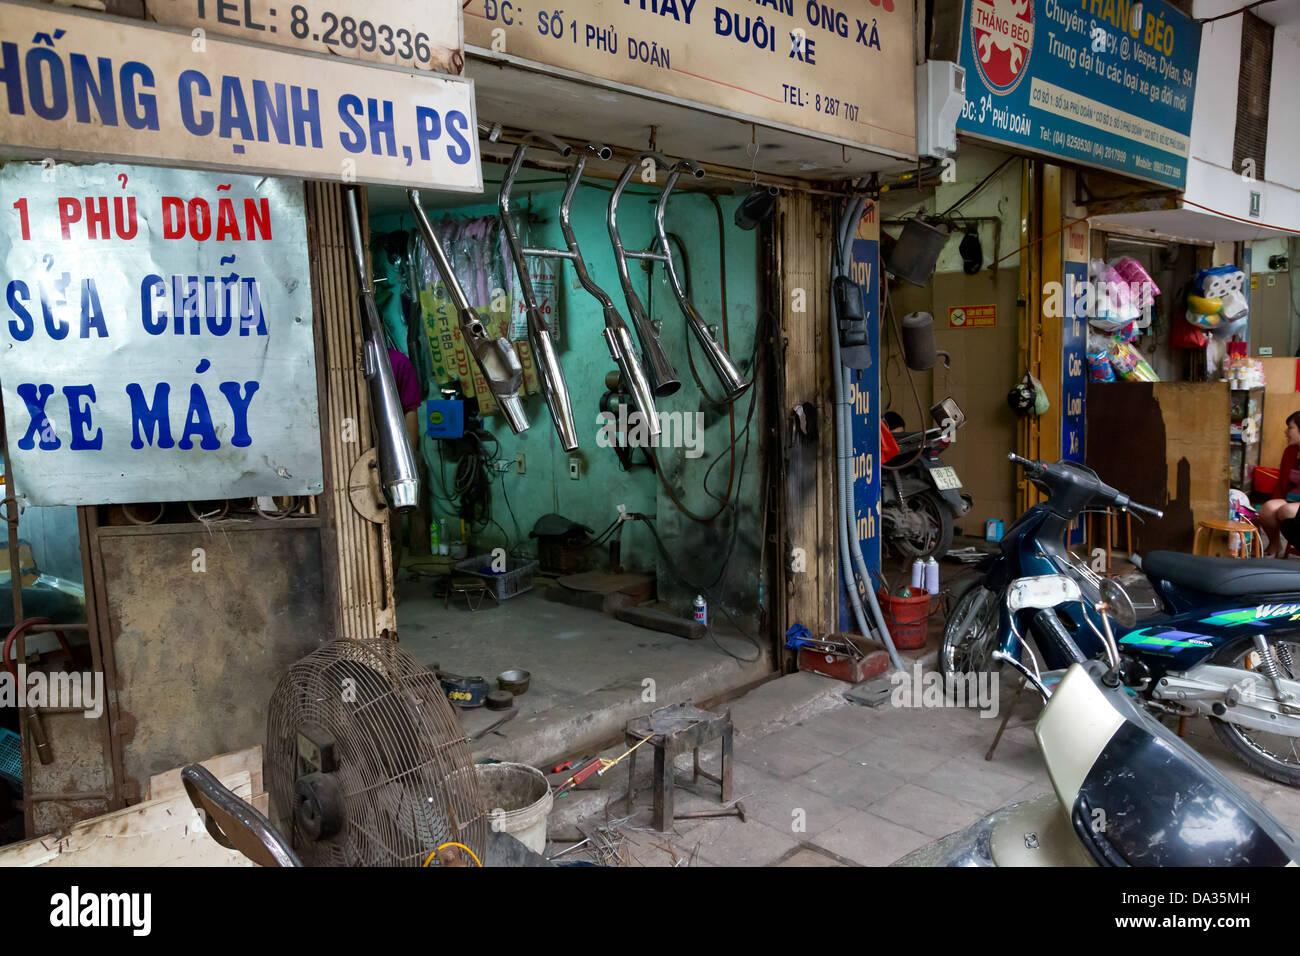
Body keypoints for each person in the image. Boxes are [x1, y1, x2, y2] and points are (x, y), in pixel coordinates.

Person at [1258, 411, 1300, 557]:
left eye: (1290, 428)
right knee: (1267, 509)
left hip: (1297, 504)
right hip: (1289, 499)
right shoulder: (1290, 452)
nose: (1286, 431)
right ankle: (1275, 544)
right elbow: (1281, 482)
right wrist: (1274, 500)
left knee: (1286, 511)